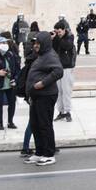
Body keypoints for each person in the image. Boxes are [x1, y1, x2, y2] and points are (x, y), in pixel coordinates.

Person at [24, 31, 64, 166]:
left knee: (44, 125)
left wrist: (42, 83)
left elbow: (58, 71)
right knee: (35, 125)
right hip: (37, 96)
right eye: (34, 43)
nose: (35, 46)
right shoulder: (41, 55)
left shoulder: (50, 55)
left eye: (38, 43)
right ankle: (39, 152)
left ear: (44, 43)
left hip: (46, 96)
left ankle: (49, 154)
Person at [52, 19, 77, 122]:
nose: (58, 34)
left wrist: (56, 38)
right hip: (57, 67)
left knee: (66, 90)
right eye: (56, 32)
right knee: (58, 91)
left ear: (64, 30)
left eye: (59, 32)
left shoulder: (69, 37)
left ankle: (67, 111)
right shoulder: (56, 38)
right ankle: (61, 111)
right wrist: (52, 39)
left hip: (67, 68)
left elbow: (66, 45)